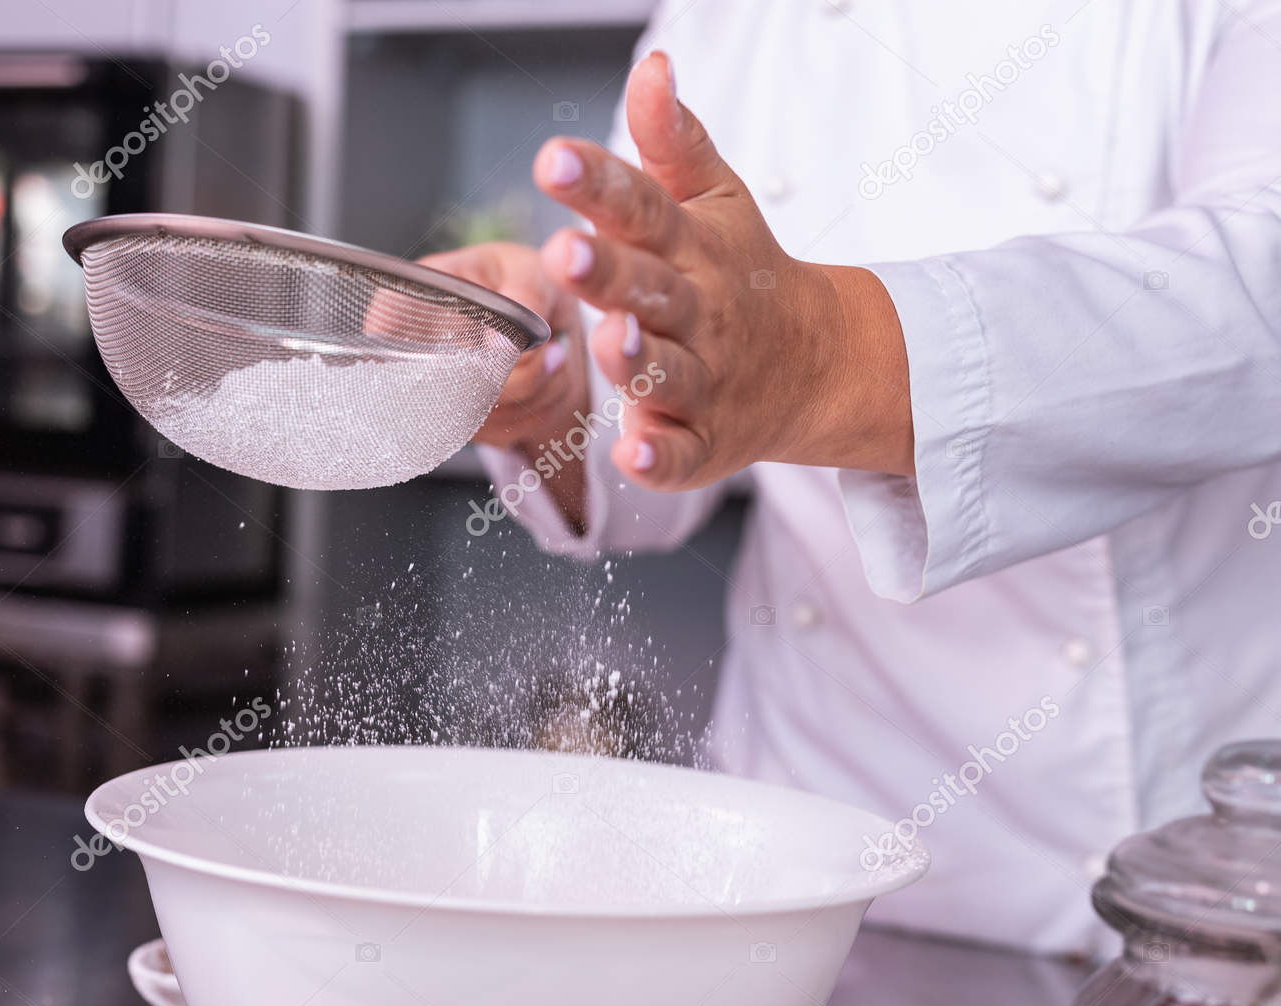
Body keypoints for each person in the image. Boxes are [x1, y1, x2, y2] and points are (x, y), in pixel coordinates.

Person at [423, 0, 1281, 956]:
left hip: (1183, 911)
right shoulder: (723, 24)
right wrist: (558, 393)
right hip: (798, 880)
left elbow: (1258, 283)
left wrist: (824, 359)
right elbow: (660, 423)